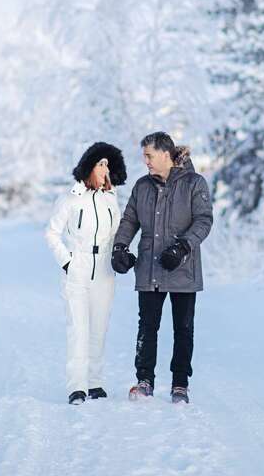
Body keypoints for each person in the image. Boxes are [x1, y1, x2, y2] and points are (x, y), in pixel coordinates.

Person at [111, 131, 213, 405]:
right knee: (147, 327)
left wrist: (183, 247)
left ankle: (180, 384)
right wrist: (120, 247)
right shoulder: (142, 186)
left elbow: (204, 220)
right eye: (144, 155)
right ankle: (144, 380)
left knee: (183, 328)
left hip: (182, 267)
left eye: (149, 155)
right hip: (149, 268)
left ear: (166, 155)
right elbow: (129, 220)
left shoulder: (194, 183)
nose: (145, 161)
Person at [45, 141, 127, 406]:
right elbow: (52, 233)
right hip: (78, 268)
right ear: (88, 167)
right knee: (78, 330)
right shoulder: (70, 198)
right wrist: (67, 262)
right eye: (100, 164)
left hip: (104, 270)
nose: (104, 169)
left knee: (99, 330)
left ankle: (95, 383)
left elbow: (118, 232)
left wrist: (121, 253)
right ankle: (77, 387)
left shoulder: (111, 199)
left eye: (107, 165)